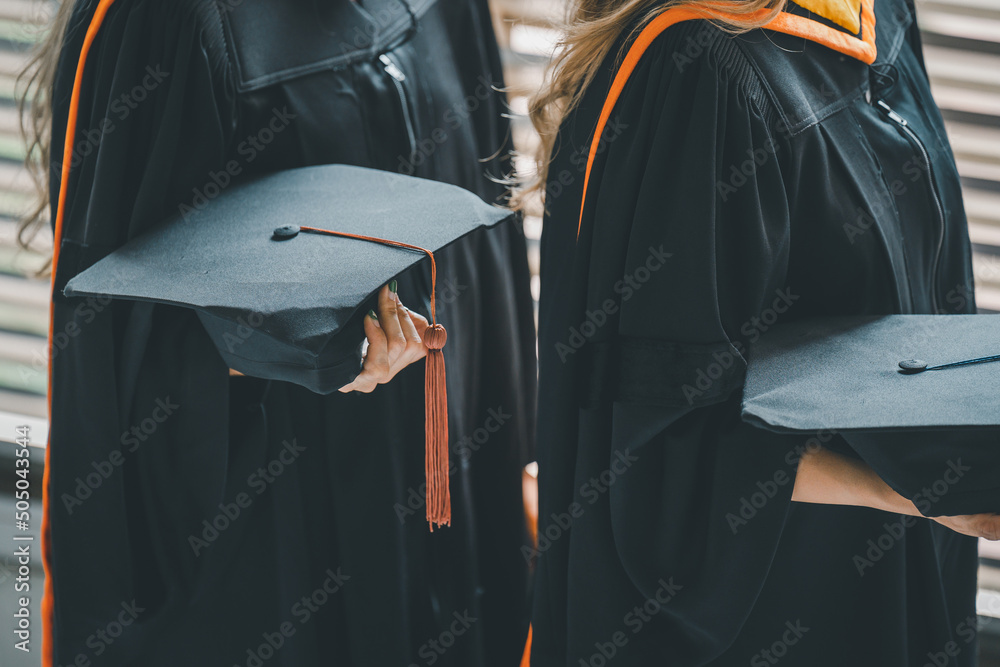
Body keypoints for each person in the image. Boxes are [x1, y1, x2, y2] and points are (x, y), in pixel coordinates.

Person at [20, 0, 535, 665]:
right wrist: (311, 347)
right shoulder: (161, 20)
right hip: (279, 519)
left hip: (436, 480)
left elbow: (486, 230)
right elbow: (118, 330)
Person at [521, 0, 998, 665]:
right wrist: (921, 488)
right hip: (777, 597)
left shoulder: (874, 12)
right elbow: (661, 449)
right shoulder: (704, 71)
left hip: (903, 551)